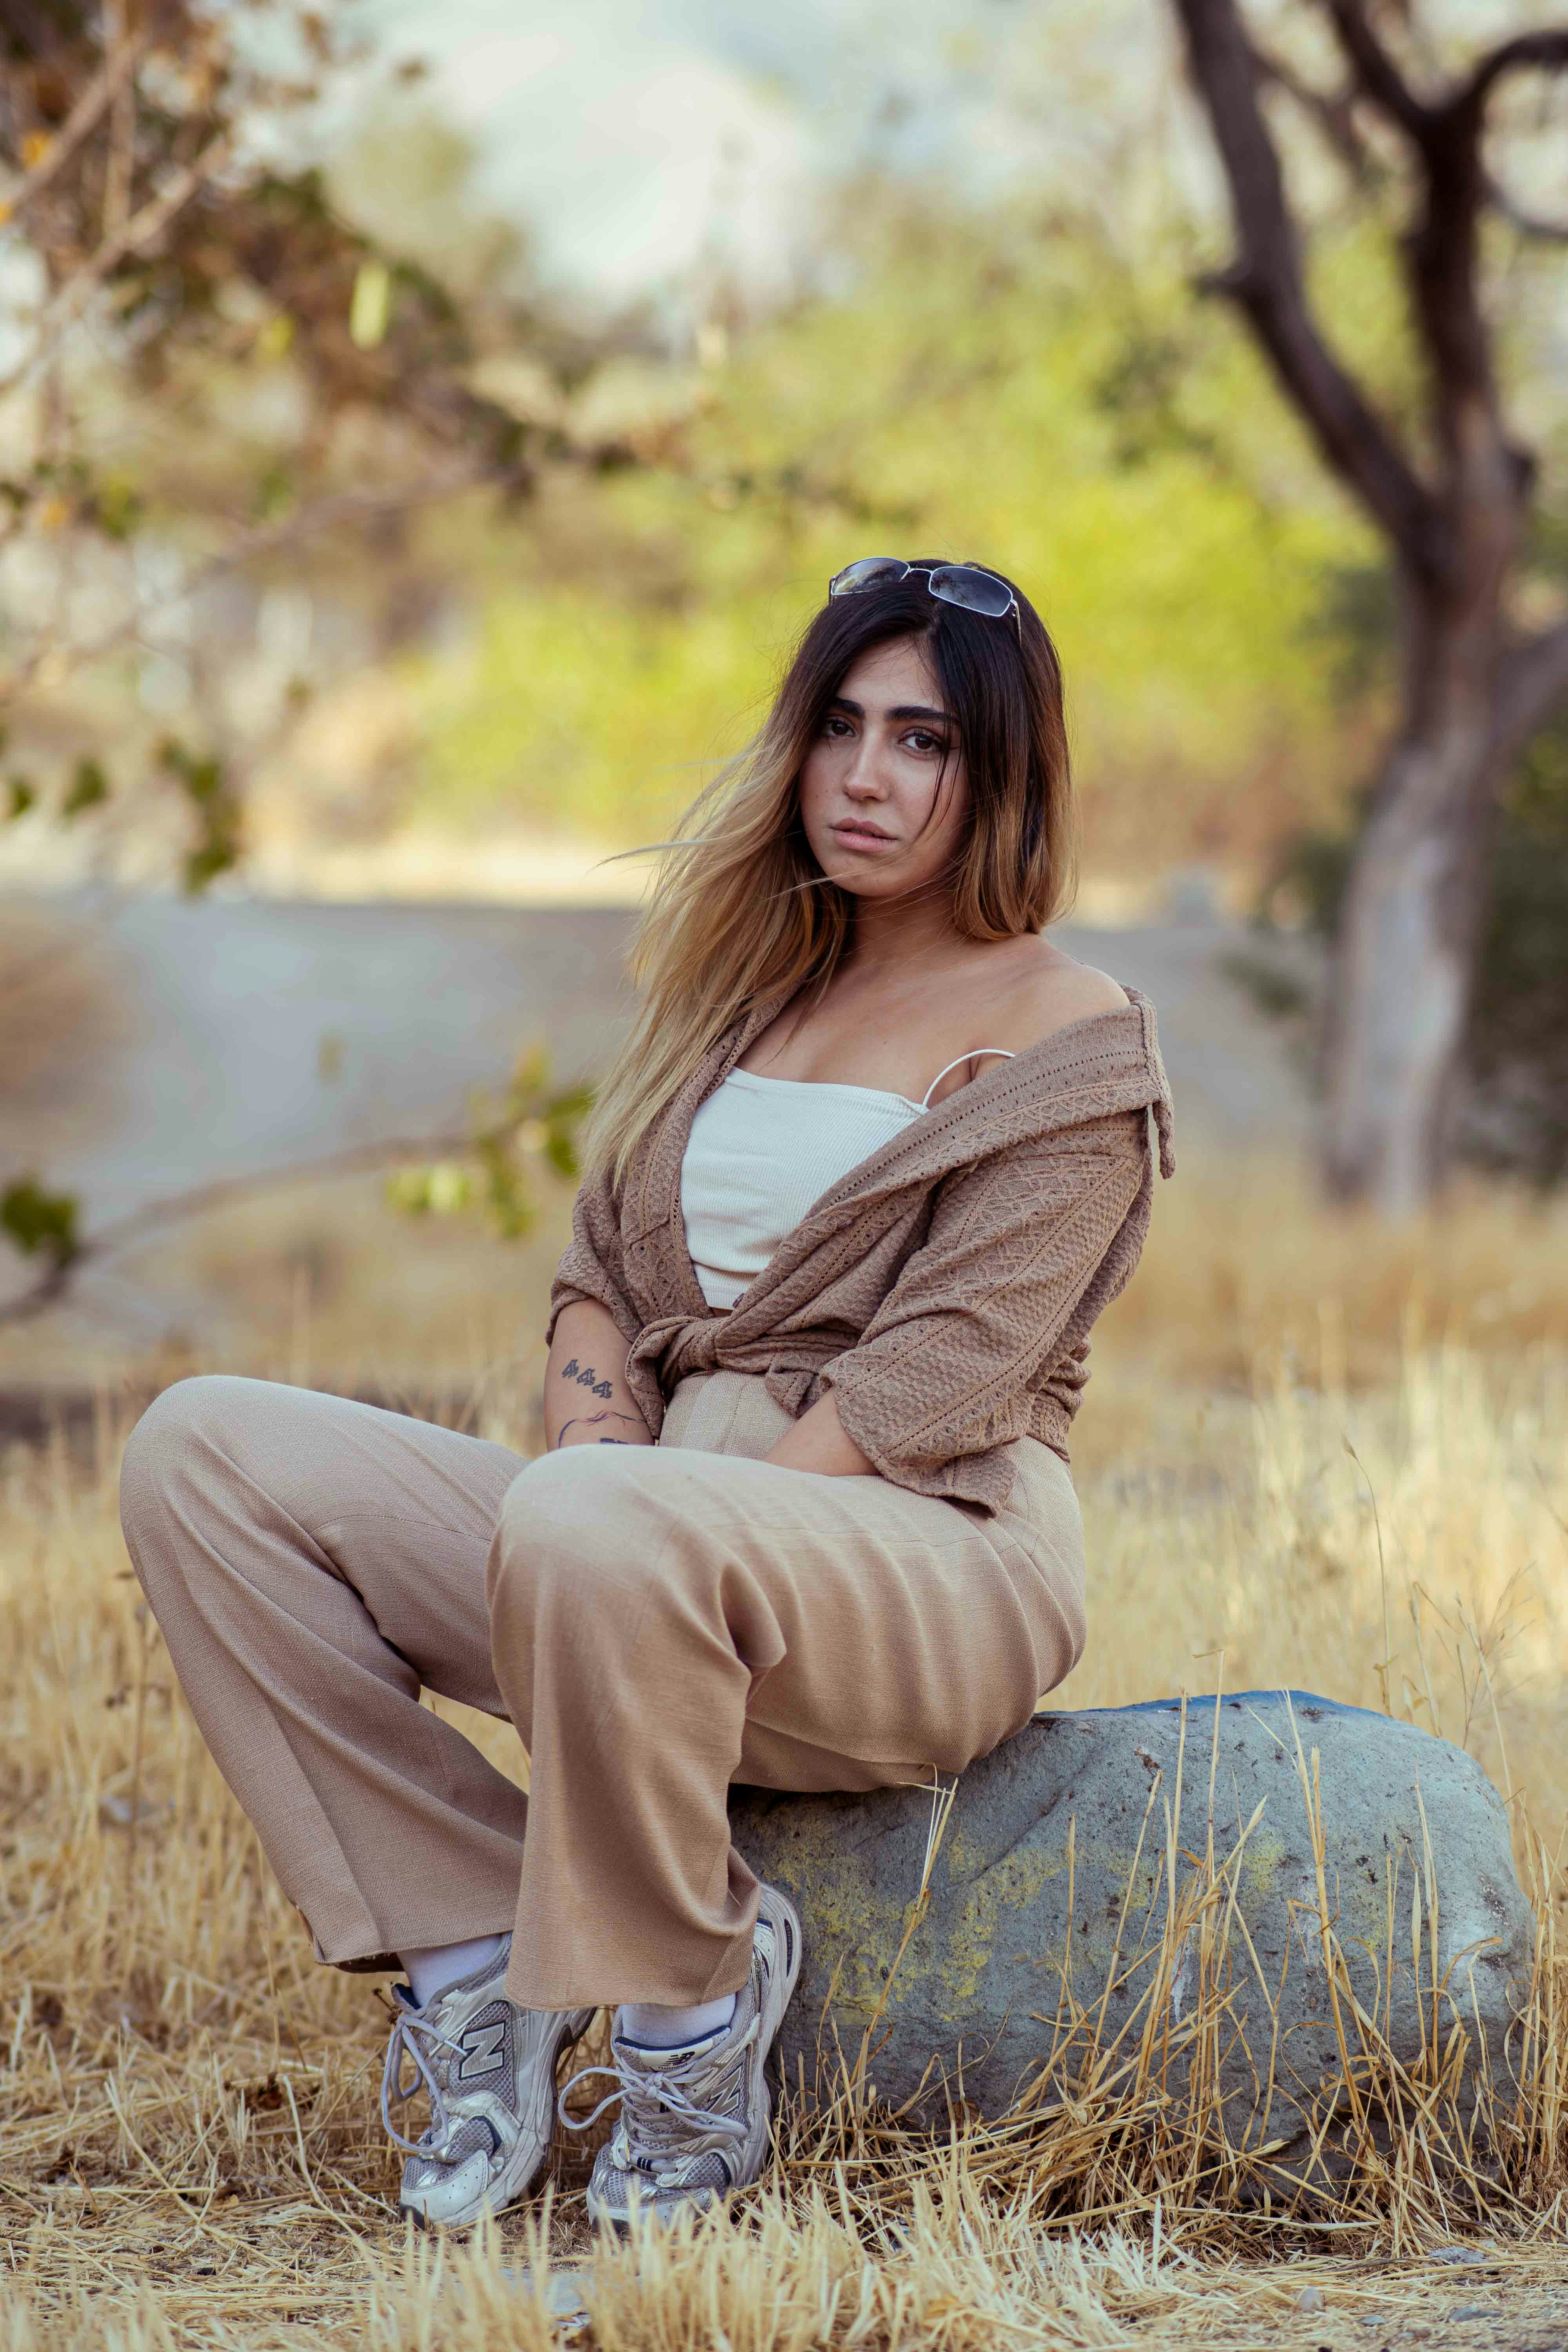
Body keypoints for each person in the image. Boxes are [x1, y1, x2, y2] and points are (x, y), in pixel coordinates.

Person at [119, 554, 1174, 2235]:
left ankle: (694, 1997)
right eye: (837, 727)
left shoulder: (1075, 1033)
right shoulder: (749, 996)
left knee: (597, 1519)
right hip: (636, 1523)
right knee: (200, 1455)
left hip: (921, 1554)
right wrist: (601, 1486)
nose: (866, 777)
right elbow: (602, 1273)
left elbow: (934, 1378)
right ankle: (471, 1953)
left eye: (924, 742)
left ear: (1003, 778)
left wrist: (626, 1525)